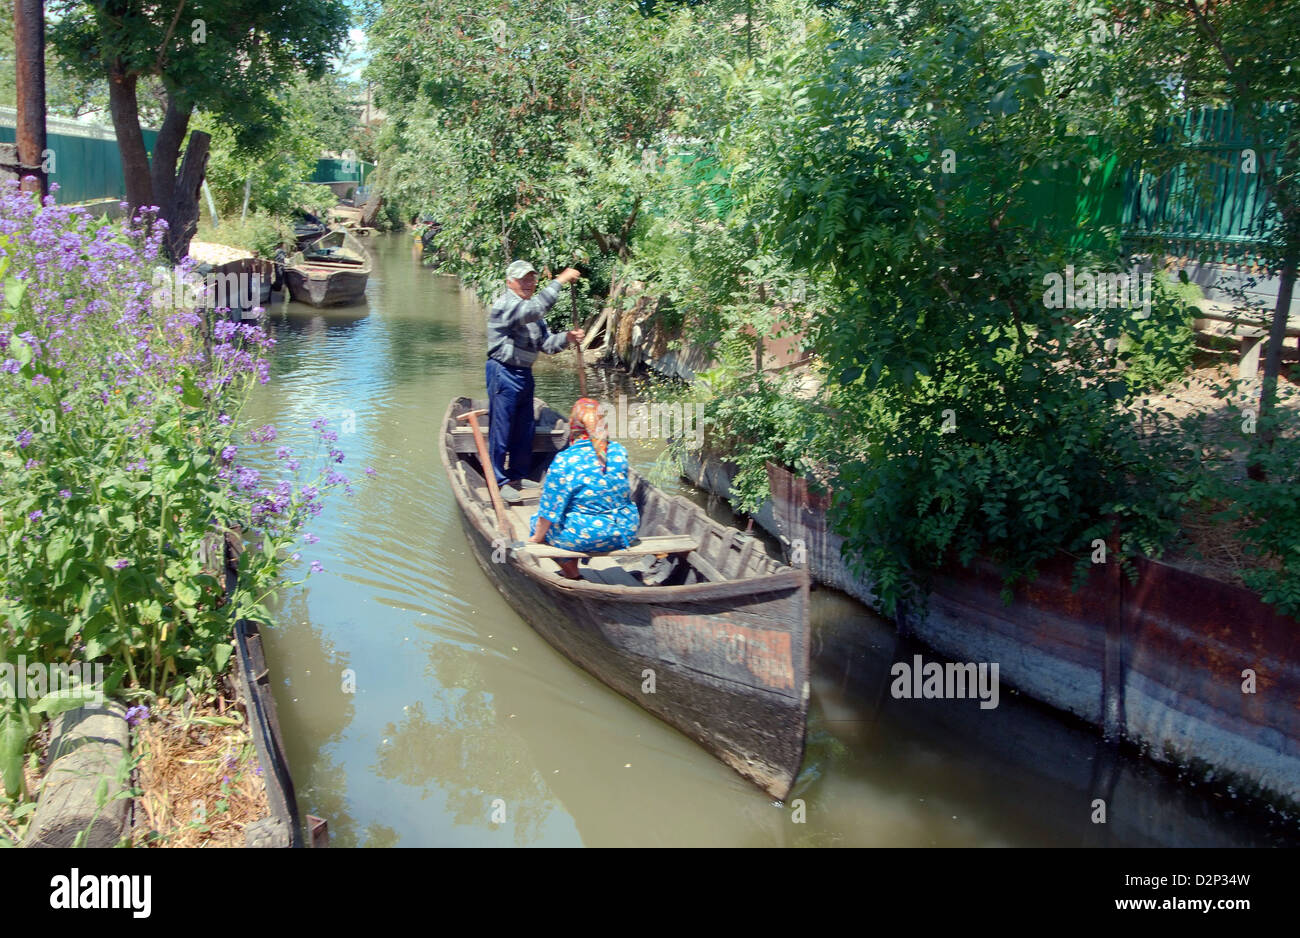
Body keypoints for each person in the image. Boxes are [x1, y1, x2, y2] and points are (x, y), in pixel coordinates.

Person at [486, 259, 584, 501]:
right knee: (502, 430)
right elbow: (536, 309)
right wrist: (560, 280)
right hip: (503, 372)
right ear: (510, 282)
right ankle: (498, 481)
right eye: (522, 279)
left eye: (531, 278)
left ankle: (518, 475)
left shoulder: (533, 312)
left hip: (524, 373)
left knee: (524, 428)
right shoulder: (507, 304)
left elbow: (547, 345)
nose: (528, 283)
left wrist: (568, 337)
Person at [529, 398, 640, 579]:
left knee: (537, 523)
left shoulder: (565, 460)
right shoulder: (619, 451)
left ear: (573, 425)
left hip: (585, 535)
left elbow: (549, 512)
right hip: (626, 529)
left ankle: (571, 570)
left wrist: (535, 538)